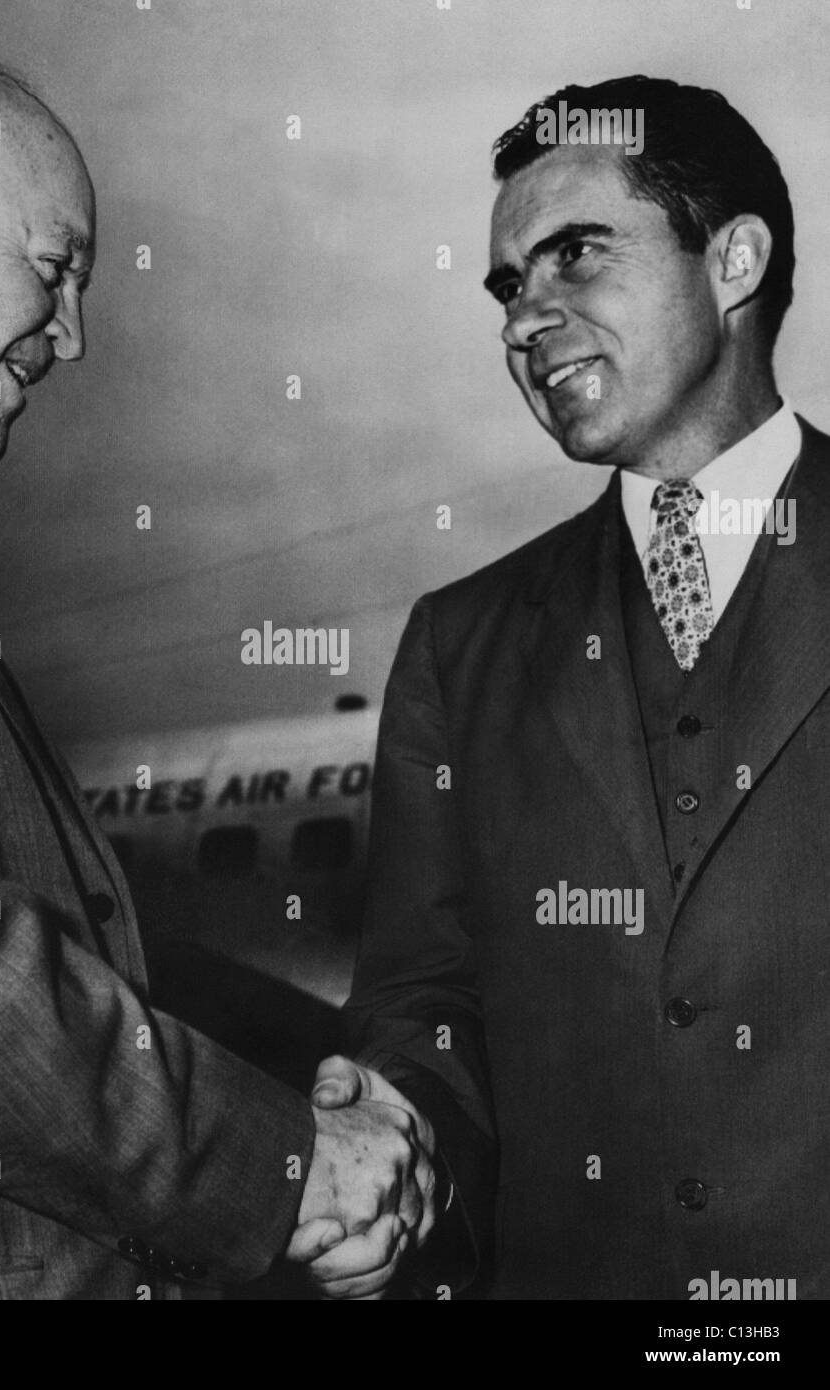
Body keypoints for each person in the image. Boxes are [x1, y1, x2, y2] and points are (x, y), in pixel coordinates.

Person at [0, 40, 434, 1301]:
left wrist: (320, 1081)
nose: (70, 337)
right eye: (55, 265)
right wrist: (290, 1169)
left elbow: (84, 951)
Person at [315, 74, 830, 1299]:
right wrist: (396, 1124)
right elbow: (423, 990)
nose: (521, 321)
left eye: (575, 256)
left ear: (735, 259)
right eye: (507, 289)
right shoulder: (459, 642)